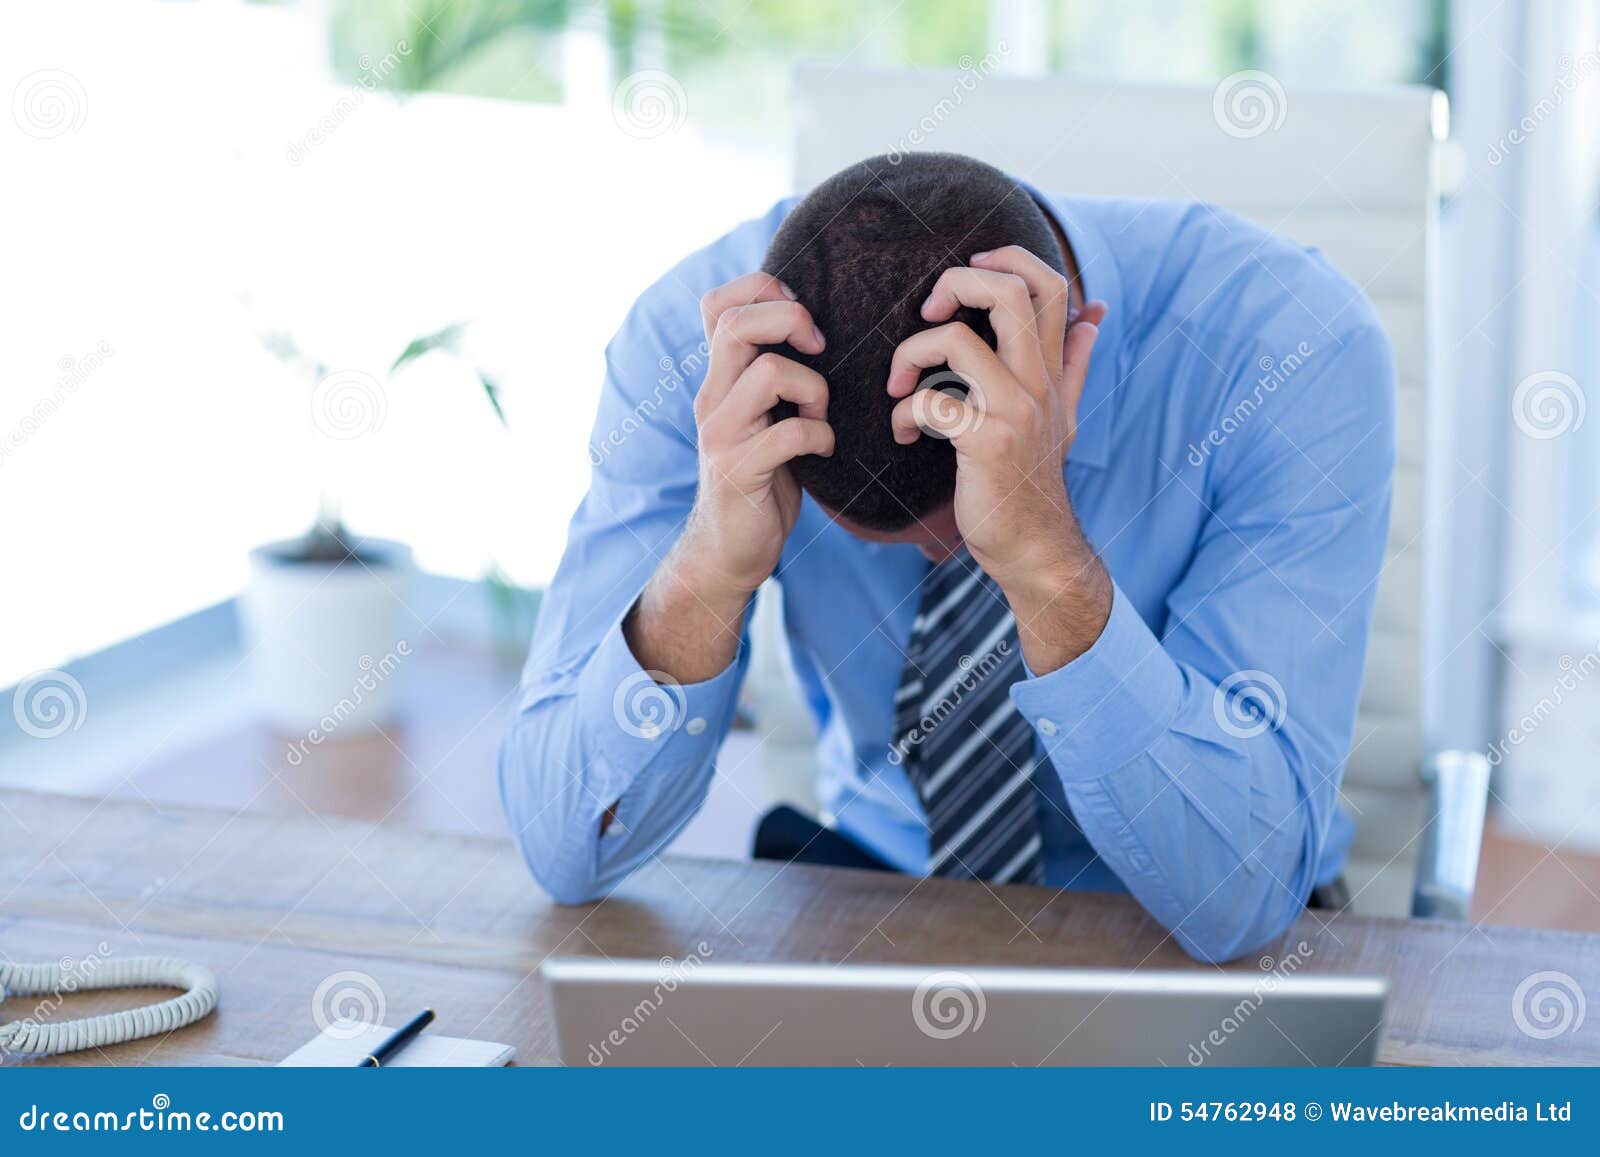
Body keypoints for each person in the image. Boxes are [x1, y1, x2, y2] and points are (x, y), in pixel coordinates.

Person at [499, 152, 1393, 963]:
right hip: (879, 893)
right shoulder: (698, 357)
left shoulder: (1292, 348)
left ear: (1072, 351)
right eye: (904, 547)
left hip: (1178, 935)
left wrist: (1042, 558)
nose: (953, 555)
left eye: (961, 536)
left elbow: (1237, 900)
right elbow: (566, 849)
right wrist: (704, 574)